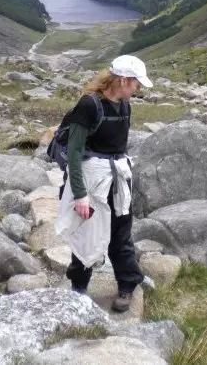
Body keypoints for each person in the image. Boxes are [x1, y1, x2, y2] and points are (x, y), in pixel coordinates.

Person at [55, 54, 153, 312]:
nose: (138, 88)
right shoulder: (89, 106)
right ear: (122, 80)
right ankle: (78, 287)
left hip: (117, 179)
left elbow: (117, 147)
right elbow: (75, 153)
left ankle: (128, 284)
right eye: (136, 83)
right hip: (91, 181)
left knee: (121, 233)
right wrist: (80, 195)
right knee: (86, 232)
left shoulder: (125, 104)